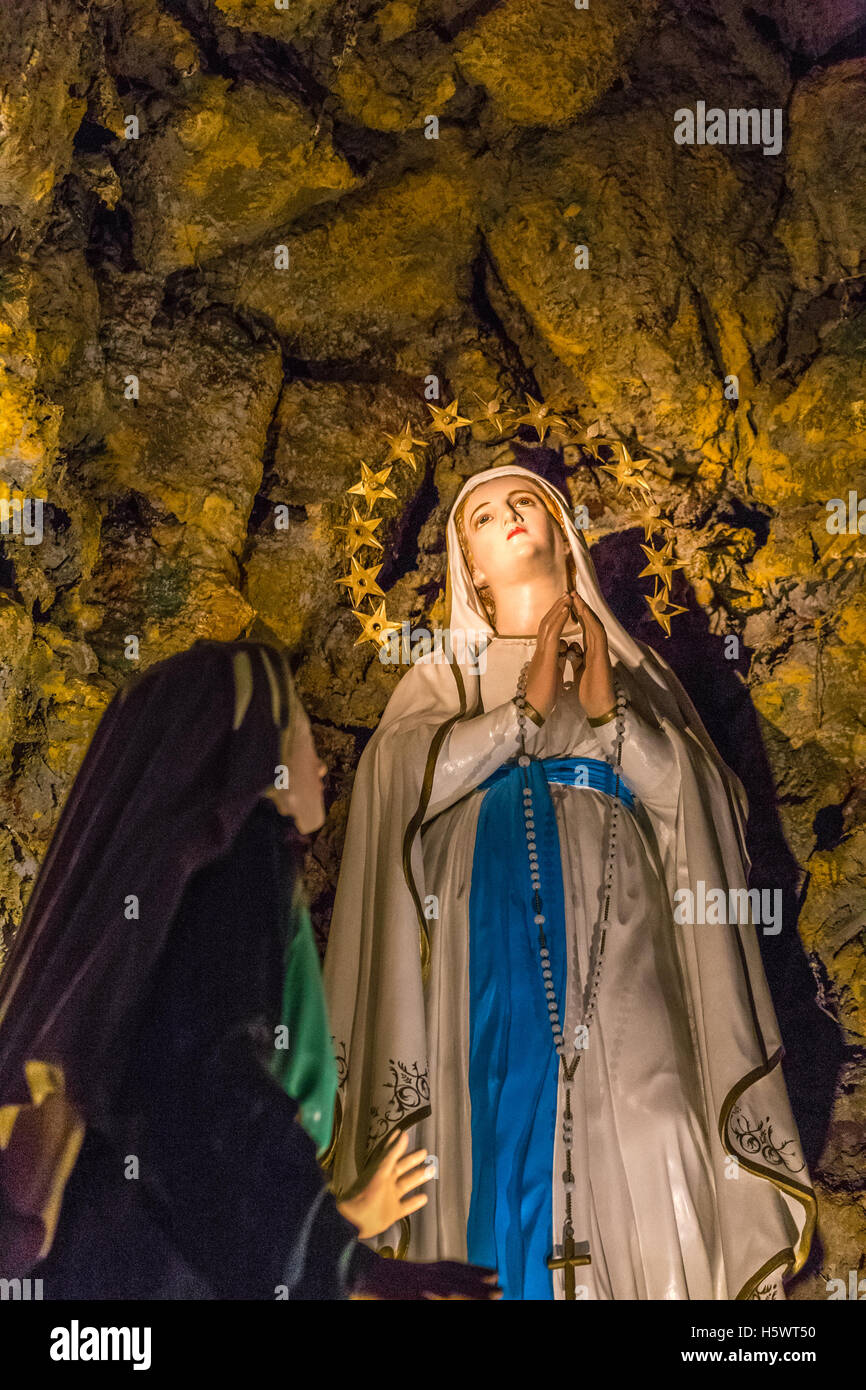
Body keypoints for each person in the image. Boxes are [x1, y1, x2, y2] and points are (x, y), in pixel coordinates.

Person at [322, 464, 817, 1300]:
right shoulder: (448, 680)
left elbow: (705, 811)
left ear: (561, 530)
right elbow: (395, 787)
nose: (509, 517)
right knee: (497, 1115)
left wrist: (606, 718)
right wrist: (520, 712)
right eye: (483, 516)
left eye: (526, 503)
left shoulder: (639, 677)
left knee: (659, 1116)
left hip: (623, 910)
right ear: (470, 567)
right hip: (487, 916)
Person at [0, 638, 499, 1300]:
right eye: (299, 732)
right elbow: (202, 1083)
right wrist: (344, 1261)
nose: (321, 765)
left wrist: (332, 1228)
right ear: (246, 745)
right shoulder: (236, 857)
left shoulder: (149, 901)